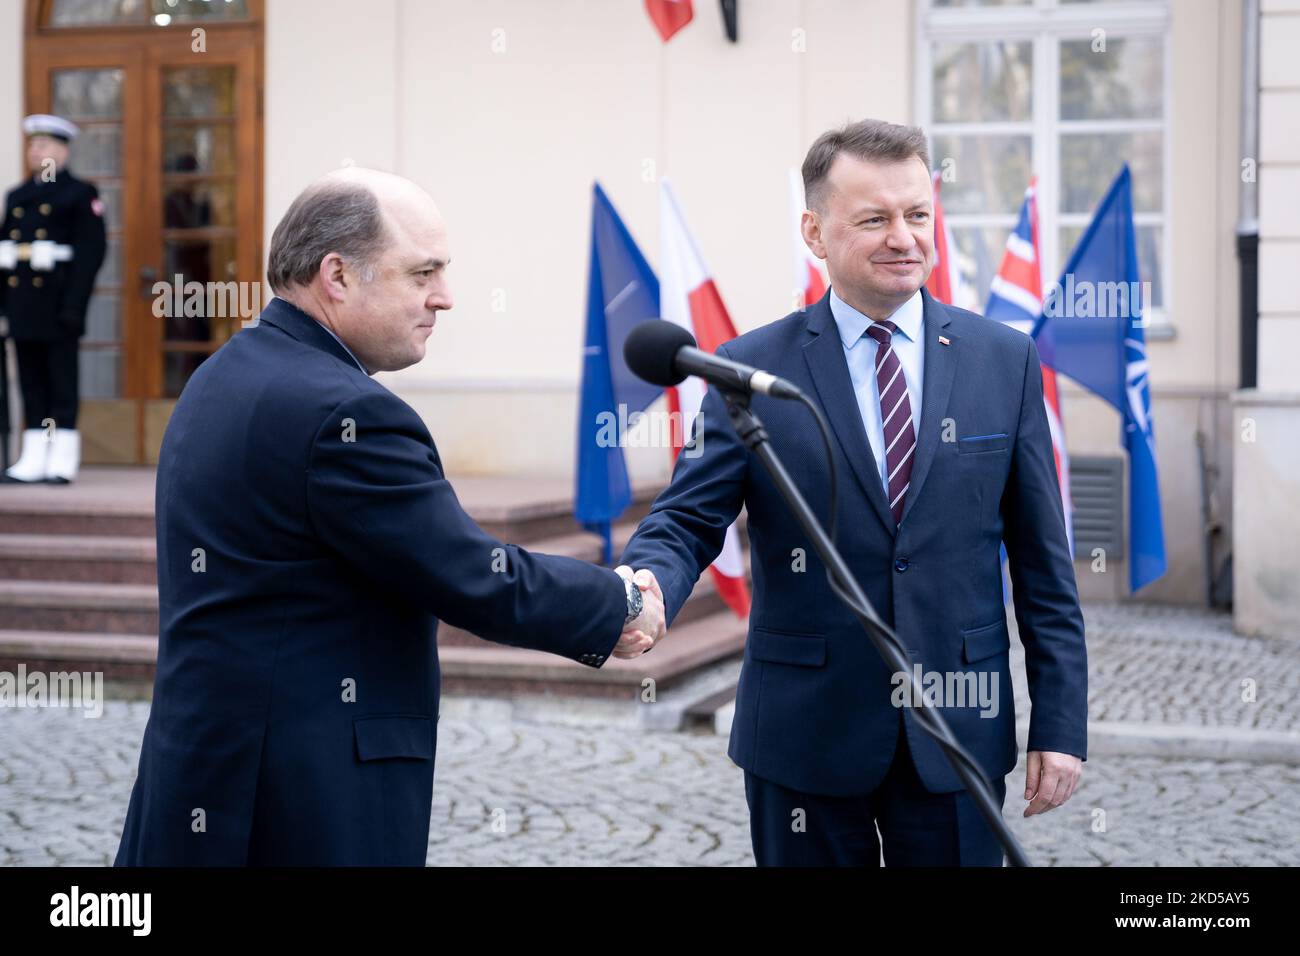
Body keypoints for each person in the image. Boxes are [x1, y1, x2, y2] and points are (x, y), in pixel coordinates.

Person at [115, 167, 666, 866]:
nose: (446, 297)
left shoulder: (222, 373)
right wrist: (616, 602)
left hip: (203, 770)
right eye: (422, 273)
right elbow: (469, 573)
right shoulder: (347, 413)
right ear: (337, 276)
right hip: (300, 797)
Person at [619, 119, 1087, 866]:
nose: (904, 237)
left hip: (956, 735)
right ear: (815, 231)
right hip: (805, 737)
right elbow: (687, 518)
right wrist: (646, 584)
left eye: (918, 214)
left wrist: (1061, 725)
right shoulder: (749, 368)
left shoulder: (1005, 361)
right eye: (874, 219)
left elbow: (1043, 565)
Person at [0, 114, 107, 483]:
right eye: (32, 145)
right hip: (23, 305)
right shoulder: (18, 196)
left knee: (60, 381)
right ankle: (33, 456)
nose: (36, 151)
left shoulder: (79, 195)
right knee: (31, 381)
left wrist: (74, 306)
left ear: (62, 151)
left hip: (59, 304)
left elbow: (90, 254)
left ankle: (60, 458)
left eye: (43, 145)